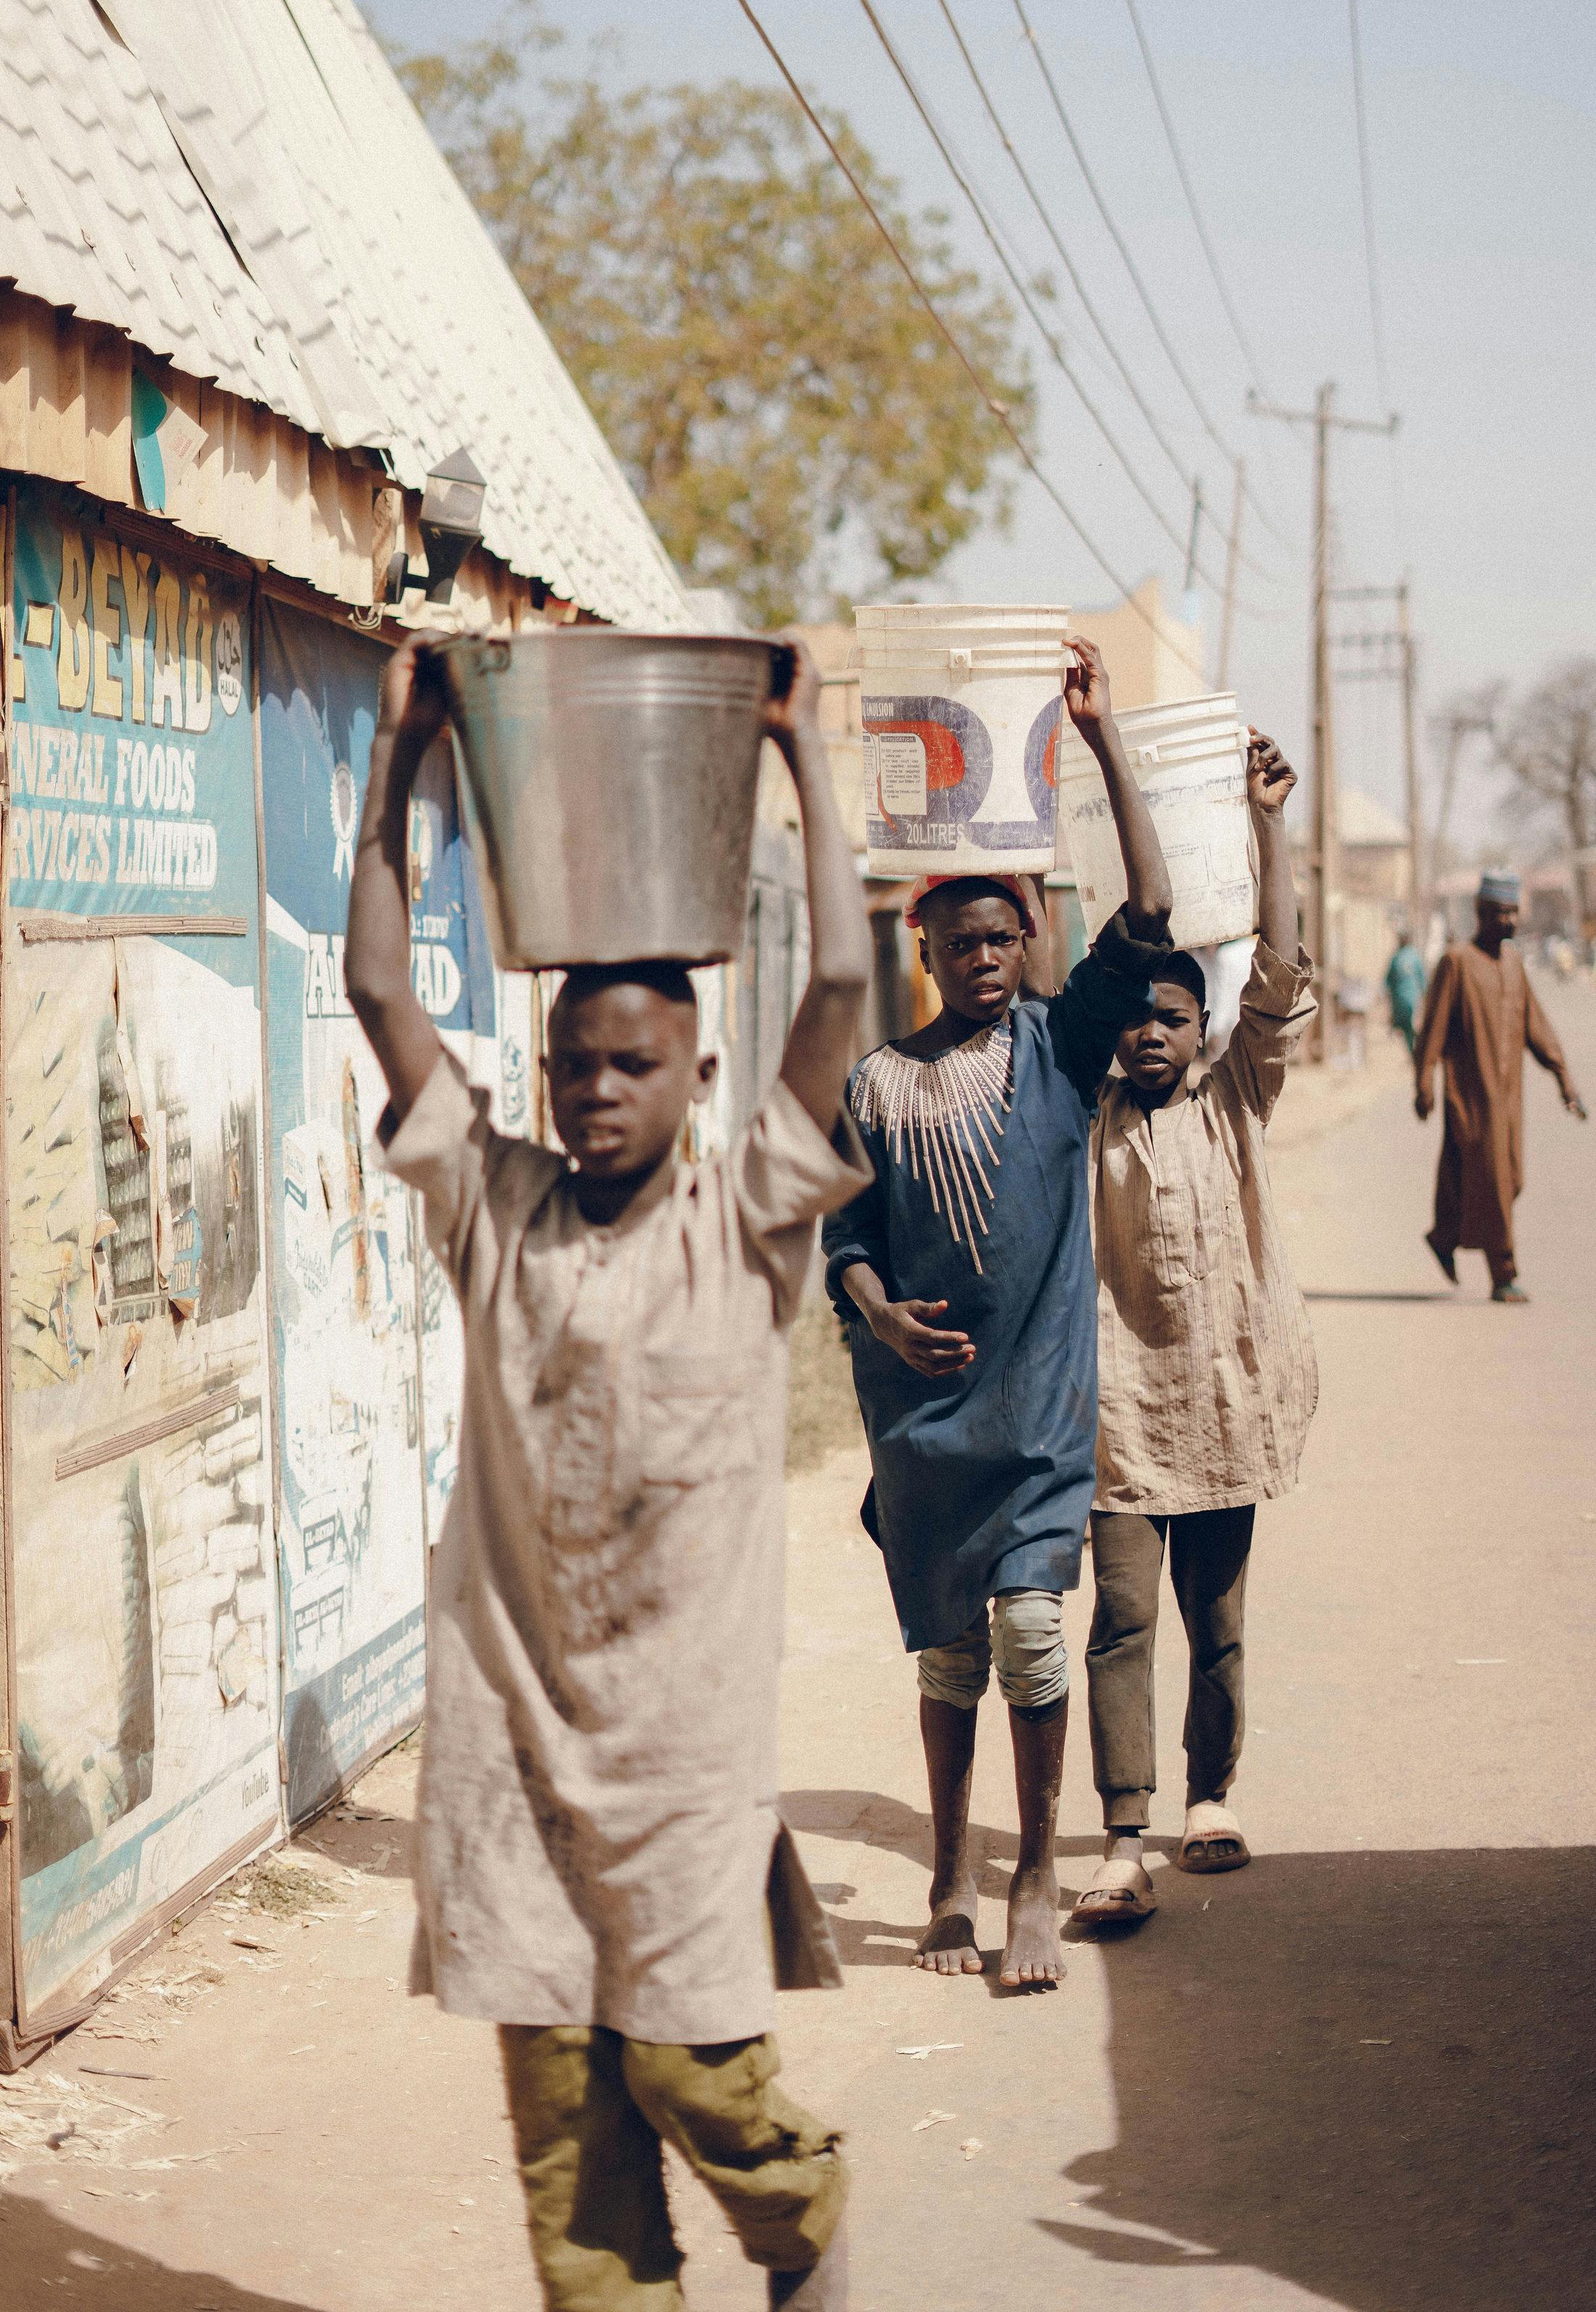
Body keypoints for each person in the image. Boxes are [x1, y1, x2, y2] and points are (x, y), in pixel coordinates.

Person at [344, 635, 871, 2312]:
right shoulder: (494, 1212)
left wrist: (794, 751)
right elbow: (377, 993)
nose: (589, 1093)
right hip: (512, 1743)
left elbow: (843, 994)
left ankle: (807, 2224)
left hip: (681, 1755)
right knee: (566, 2135)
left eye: (628, 1064)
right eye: (569, 1063)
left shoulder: (745, 1226)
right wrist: (403, 753)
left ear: (696, 1078)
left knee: (697, 2075)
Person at [821, 637, 1169, 1992]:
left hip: (1034, 1411)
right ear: (922, 946)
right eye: (956, 938)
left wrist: (1099, 740)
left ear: (1029, 943)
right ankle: (952, 1870)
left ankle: (1032, 1875)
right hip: (921, 1424)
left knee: (1032, 1627)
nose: (980, 954)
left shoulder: (1058, 1045)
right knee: (949, 1655)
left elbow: (1147, 905)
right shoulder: (875, 1085)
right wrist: (884, 1323)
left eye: (1000, 935)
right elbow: (841, 1240)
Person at [1073, 732, 1317, 1923]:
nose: (1152, 1033)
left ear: (1201, 1023)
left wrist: (1269, 824)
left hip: (1221, 1400)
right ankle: (1123, 1835)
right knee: (1119, 1620)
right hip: (1120, 1410)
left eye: (1174, 1015)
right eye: (1138, 1019)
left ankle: (1209, 1796)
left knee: (1214, 1623)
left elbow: (1279, 967)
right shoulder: (1086, 1113)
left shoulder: (1238, 1091)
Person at [1415, 867, 1587, 1305]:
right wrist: (1425, 1082)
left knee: (1499, 1176)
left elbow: (1538, 1028)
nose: (1508, 921)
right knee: (1493, 1178)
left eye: (1513, 912)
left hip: (1509, 1099)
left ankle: (1444, 1234)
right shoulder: (1457, 961)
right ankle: (1504, 1273)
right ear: (1481, 913)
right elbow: (1431, 1028)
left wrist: (1564, 1079)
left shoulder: (1514, 964)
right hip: (1469, 1094)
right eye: (1500, 913)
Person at [1384, 927, 1427, 1055]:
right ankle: (1412, 1051)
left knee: (1407, 1027)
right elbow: (1422, 980)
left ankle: (1413, 1050)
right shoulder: (1410, 957)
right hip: (1407, 999)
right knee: (1406, 1027)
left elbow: (1387, 981)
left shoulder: (1399, 957)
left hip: (1403, 1000)